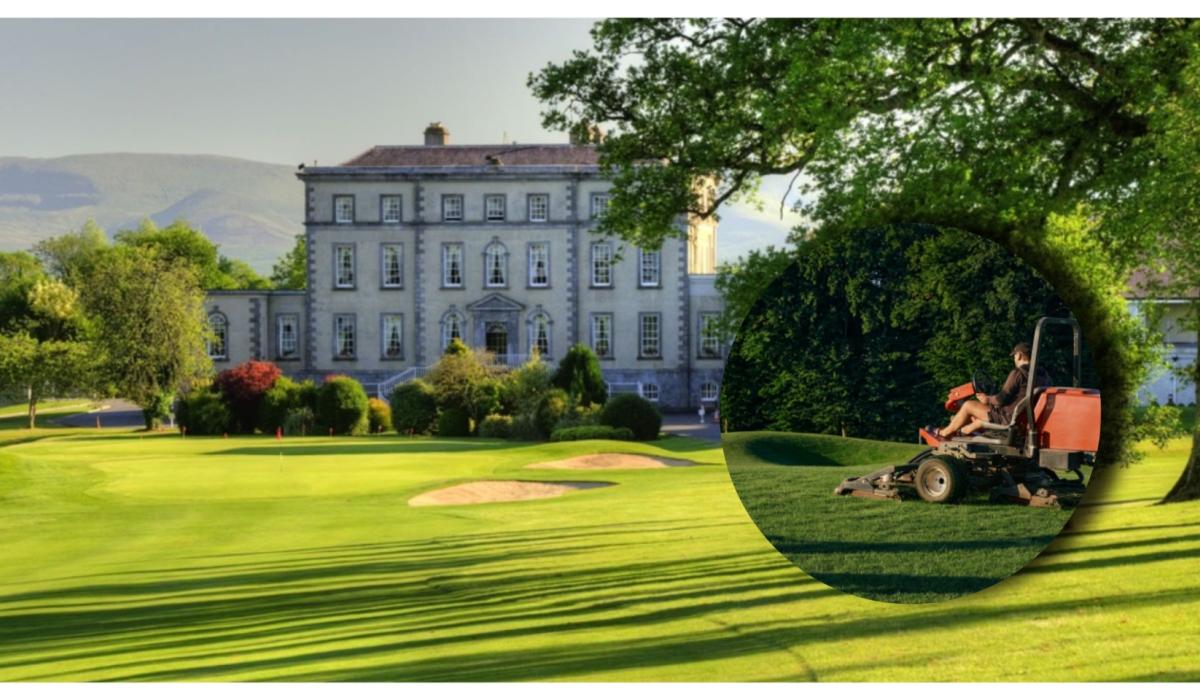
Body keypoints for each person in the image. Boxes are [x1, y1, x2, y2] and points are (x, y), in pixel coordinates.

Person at [929, 342, 1052, 439]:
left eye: (1014, 356)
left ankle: (944, 433)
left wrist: (987, 399)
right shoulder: (1044, 375)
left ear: (1019, 355)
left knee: (967, 405)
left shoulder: (1018, 374)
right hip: (1024, 421)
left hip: (1007, 418)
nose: (1014, 358)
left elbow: (1000, 400)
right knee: (978, 412)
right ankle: (963, 431)